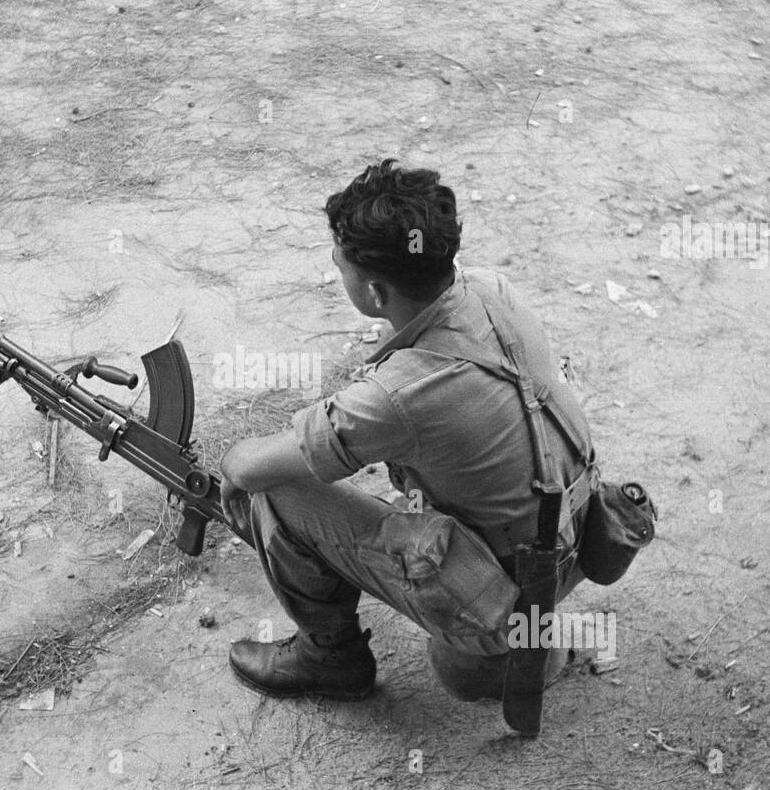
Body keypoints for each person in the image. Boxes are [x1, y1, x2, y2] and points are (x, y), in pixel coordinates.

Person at [218, 158, 595, 703]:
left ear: (374, 294)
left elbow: (252, 468)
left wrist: (234, 465)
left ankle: (331, 658)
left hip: (503, 599)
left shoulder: (397, 396)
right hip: (575, 542)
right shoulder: (493, 289)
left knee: (276, 493)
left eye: (339, 265)